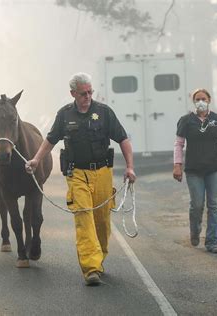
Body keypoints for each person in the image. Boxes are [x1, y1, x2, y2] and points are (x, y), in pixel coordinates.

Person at [25, 72, 136, 285]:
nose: (88, 96)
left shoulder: (104, 113)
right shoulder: (65, 115)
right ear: (73, 93)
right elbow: (50, 140)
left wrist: (130, 167)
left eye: (90, 92)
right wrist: (36, 160)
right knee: (84, 217)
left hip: (103, 173)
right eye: (83, 93)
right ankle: (91, 268)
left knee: (101, 221)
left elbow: (123, 139)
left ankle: (99, 257)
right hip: (76, 174)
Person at [172, 88, 217, 254]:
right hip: (194, 170)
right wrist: (177, 164)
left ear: (209, 100)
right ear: (193, 101)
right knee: (197, 204)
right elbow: (179, 144)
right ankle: (195, 230)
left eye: (203, 99)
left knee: (214, 205)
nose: (201, 102)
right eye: (197, 99)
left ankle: (213, 242)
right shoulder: (186, 120)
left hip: (215, 168)